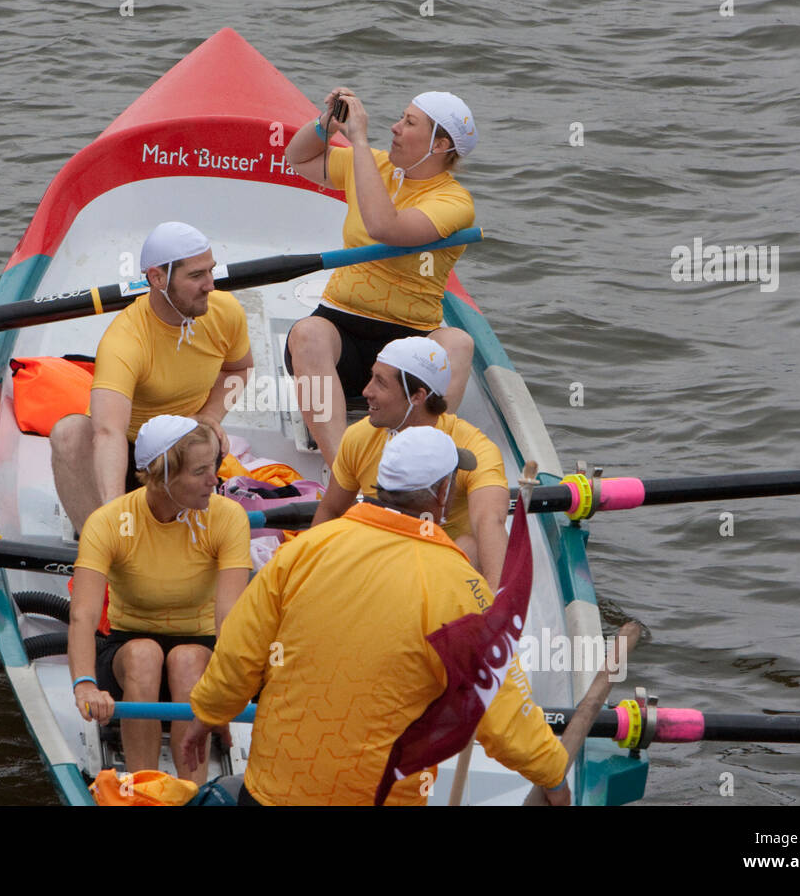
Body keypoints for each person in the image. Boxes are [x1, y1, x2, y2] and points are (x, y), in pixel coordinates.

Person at [180, 426, 569, 805]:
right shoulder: (462, 588)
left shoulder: (306, 549)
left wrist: (207, 714)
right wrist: (552, 775)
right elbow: (500, 708)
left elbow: (238, 652)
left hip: (275, 790)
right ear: (443, 493)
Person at [283, 87, 478, 468]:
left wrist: (357, 140)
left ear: (439, 145)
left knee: (458, 342)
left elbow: (382, 227)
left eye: (408, 122)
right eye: (400, 117)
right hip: (343, 338)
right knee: (307, 332)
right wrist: (328, 123)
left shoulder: (454, 203)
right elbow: (297, 158)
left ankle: (417, 460)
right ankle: (343, 467)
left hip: (409, 348)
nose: (395, 127)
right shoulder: (372, 166)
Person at [69, 415, 253, 784]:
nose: (214, 480)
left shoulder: (228, 516)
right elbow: (83, 616)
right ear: (163, 475)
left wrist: (226, 692)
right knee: (144, 653)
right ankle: (146, 787)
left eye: (213, 467)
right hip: (128, 659)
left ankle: (192, 788)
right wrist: (85, 684)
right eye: (200, 471)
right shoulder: (109, 522)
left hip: (200, 656)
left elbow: (229, 617)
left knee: (187, 659)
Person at [50, 222, 253, 533]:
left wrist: (209, 416)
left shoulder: (225, 312)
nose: (210, 285)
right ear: (157, 278)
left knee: (204, 439)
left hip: (182, 445)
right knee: (68, 433)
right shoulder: (125, 340)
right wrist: (115, 511)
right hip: (126, 453)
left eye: (211, 271)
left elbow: (238, 368)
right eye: (196, 275)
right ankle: (102, 539)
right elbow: (108, 433)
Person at [311, 336, 509, 592]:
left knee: (471, 546)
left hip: (444, 567)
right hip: (383, 555)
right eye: (372, 377)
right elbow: (331, 511)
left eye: (380, 383)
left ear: (418, 396)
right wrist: (312, 571)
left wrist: (499, 603)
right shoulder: (359, 437)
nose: (366, 391)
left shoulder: (474, 446)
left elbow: (489, 520)